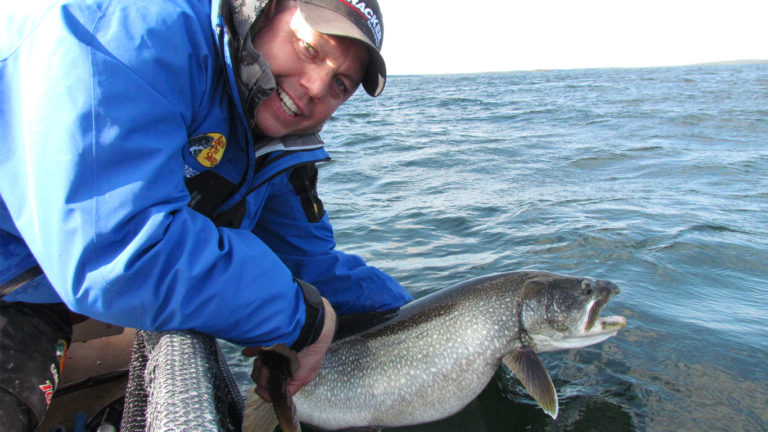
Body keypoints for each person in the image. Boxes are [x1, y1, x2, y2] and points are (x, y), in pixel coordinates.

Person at [0, 0, 411, 429]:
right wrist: (302, 319)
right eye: (310, 48)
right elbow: (118, 252)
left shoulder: (267, 139)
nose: (315, 87)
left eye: (340, 85)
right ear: (263, 10)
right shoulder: (135, 34)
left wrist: (435, 319)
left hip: (35, 294)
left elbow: (310, 266)